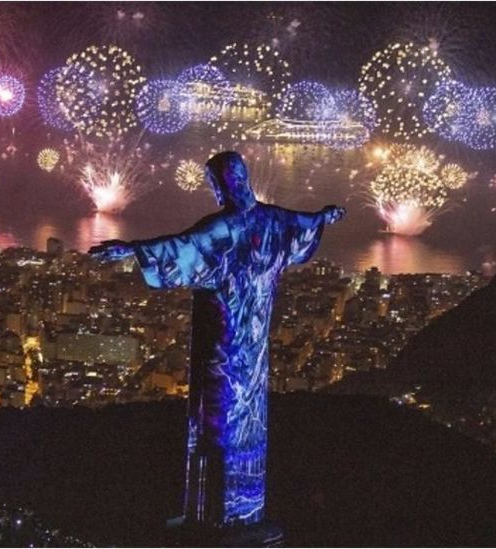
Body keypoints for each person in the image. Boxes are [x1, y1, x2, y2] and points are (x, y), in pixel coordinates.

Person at [90, 151, 344, 530]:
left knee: (217, 413)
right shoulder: (274, 221)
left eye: (215, 181)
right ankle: (243, 509)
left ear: (221, 183)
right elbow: (303, 226)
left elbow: (180, 248)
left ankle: (217, 516)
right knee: (247, 414)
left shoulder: (222, 229)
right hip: (256, 339)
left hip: (223, 338)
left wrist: (132, 249)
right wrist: (325, 217)